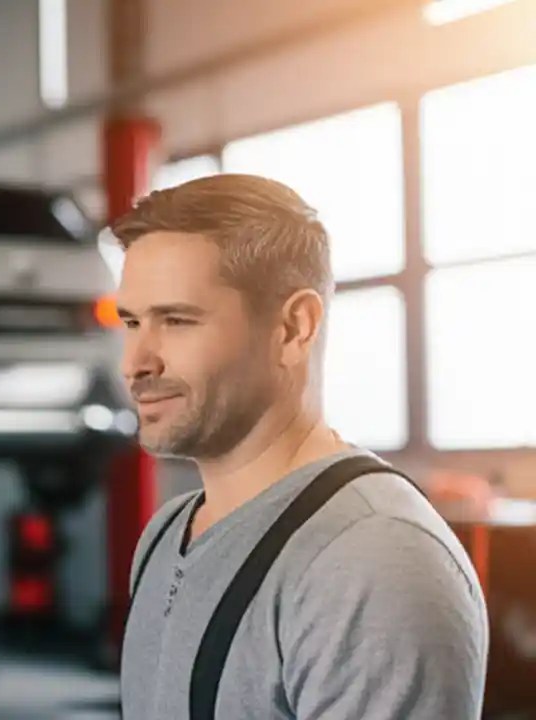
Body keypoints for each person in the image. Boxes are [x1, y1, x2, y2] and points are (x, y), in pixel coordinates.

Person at [113, 174, 488, 719]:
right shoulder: (167, 534)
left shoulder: (370, 559)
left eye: (176, 320)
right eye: (131, 322)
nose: (137, 362)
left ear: (293, 328)